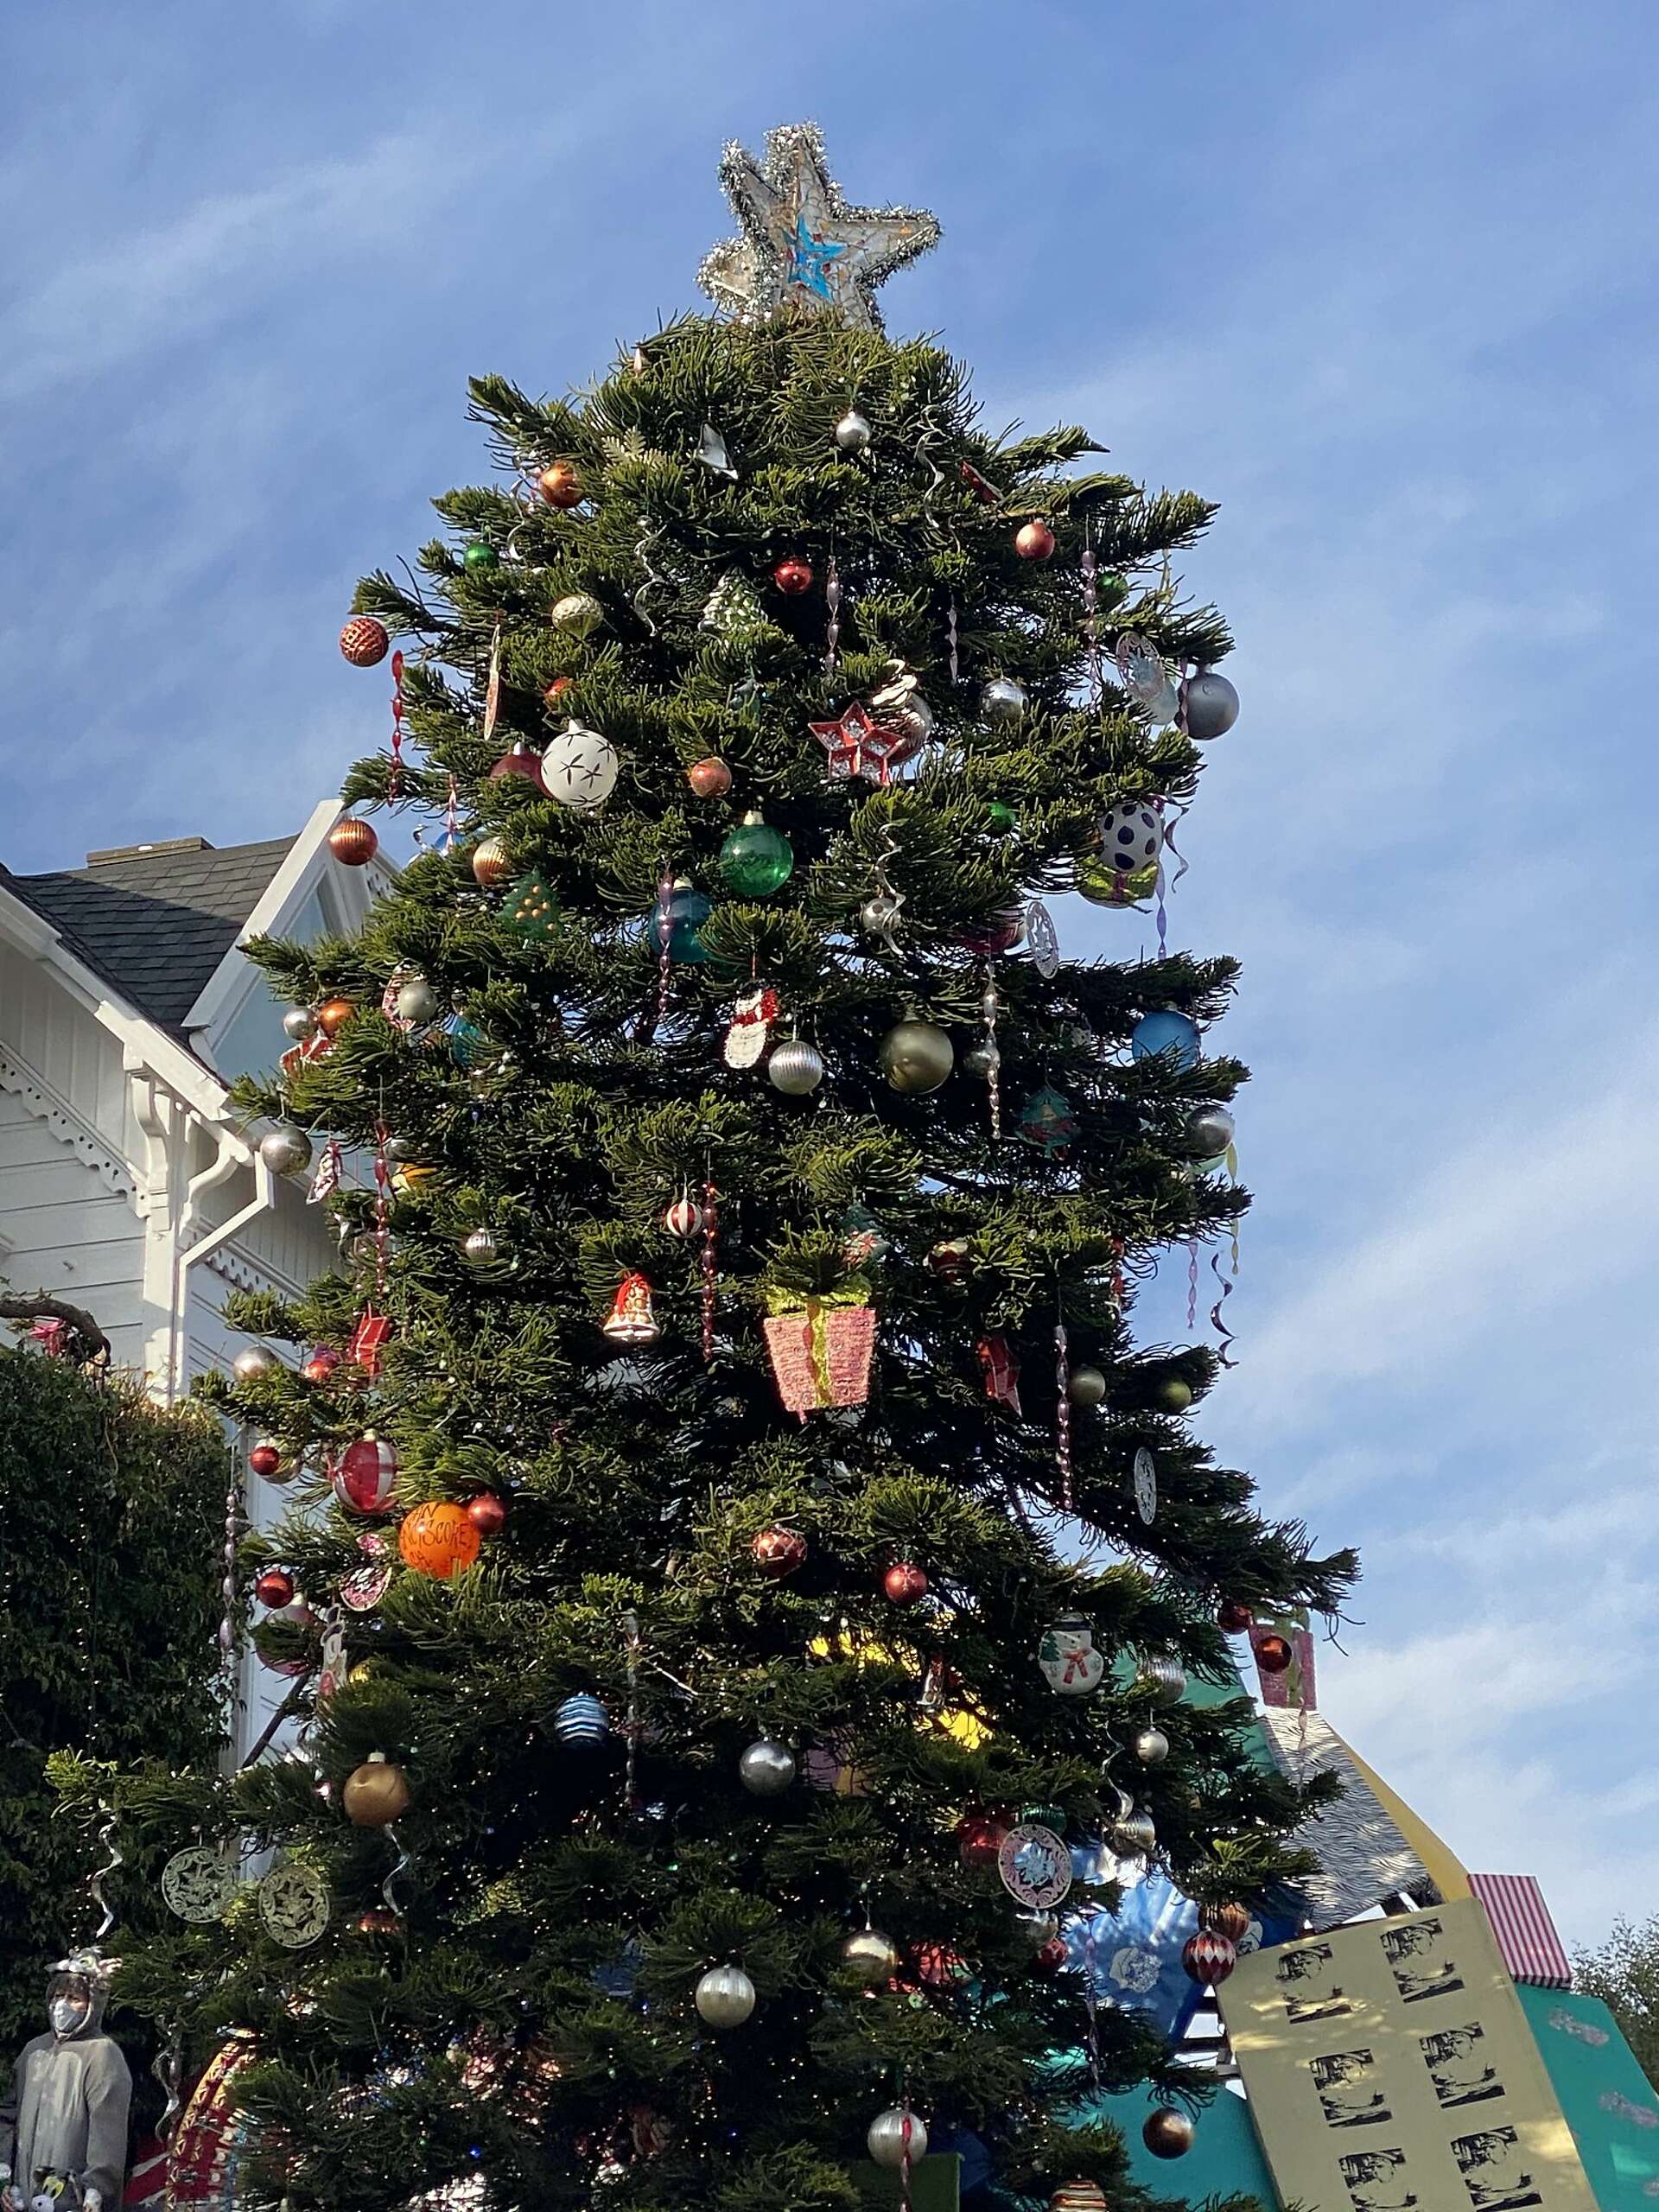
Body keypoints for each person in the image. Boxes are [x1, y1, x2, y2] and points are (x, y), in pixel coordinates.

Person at [0, 1955, 130, 2212]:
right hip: (21, 2199)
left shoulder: (103, 2053)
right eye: (57, 1997)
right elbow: (7, 2117)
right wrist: (3, 2178)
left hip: (72, 2200)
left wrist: (94, 2189)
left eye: (73, 1998)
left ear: (93, 2004)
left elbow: (108, 2134)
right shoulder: (34, 2050)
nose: (62, 2005)